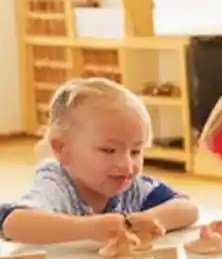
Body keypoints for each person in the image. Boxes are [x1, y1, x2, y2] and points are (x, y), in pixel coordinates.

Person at [0, 77, 198, 246]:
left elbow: (187, 208)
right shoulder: (57, 184)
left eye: (136, 151)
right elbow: (12, 222)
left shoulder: (129, 185)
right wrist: (91, 229)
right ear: (62, 149)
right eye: (108, 150)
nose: (126, 165)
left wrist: (150, 219)